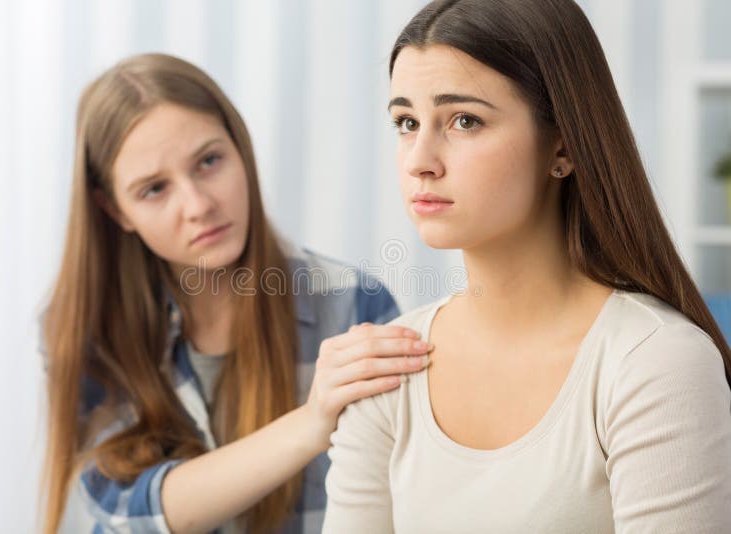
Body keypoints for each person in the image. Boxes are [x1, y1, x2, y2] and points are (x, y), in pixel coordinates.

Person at [323, 1, 731, 532]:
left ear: (563, 146)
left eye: (464, 120)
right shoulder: (386, 366)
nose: (419, 159)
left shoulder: (653, 363)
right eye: (406, 122)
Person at [40, 53, 433, 534]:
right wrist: (312, 422)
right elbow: (131, 513)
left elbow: (406, 503)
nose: (199, 205)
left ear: (240, 150)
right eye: (154, 189)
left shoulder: (354, 304)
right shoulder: (88, 332)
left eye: (209, 161)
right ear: (115, 210)